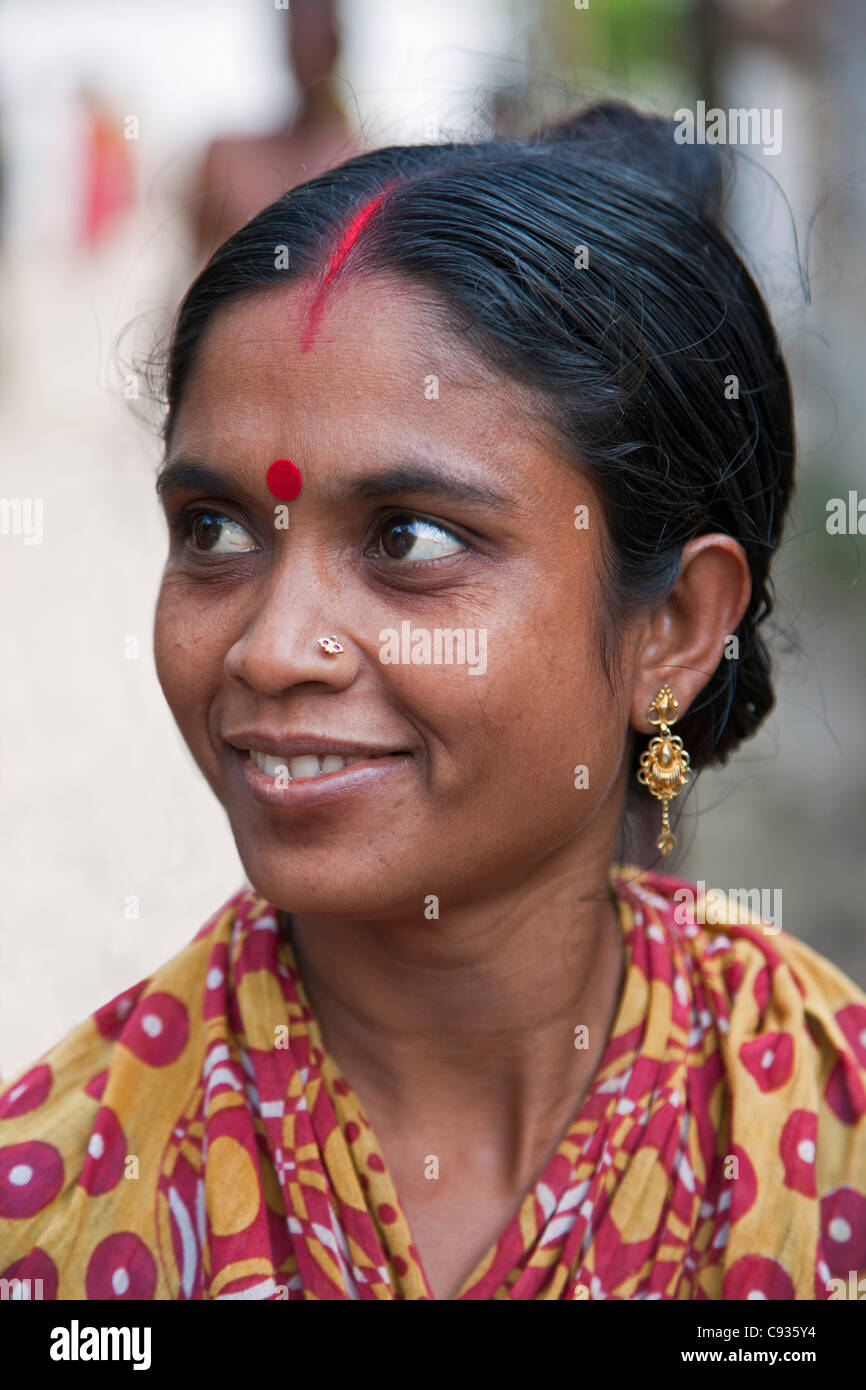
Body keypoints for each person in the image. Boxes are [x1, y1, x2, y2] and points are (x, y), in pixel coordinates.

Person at [1, 102, 864, 1302]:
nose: (270, 647)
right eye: (215, 529)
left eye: (407, 537)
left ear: (670, 628)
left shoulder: (828, 1139)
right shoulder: (53, 1208)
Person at [191, 0, 359, 261]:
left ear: (335, 39)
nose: (306, 45)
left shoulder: (365, 162)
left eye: (318, 31)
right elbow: (193, 265)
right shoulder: (229, 158)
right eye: (298, 30)